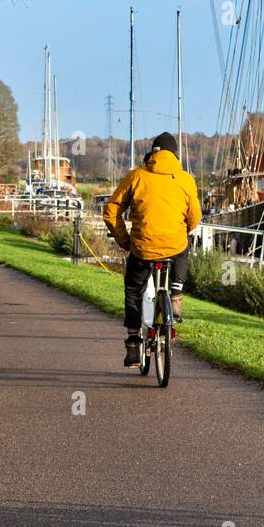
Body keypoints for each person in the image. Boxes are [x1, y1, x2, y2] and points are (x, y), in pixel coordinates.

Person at [103, 132, 202, 367]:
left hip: (142, 247)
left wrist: (124, 240)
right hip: (174, 245)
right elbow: (195, 218)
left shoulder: (136, 176)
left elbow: (111, 211)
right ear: (174, 155)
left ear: (152, 155)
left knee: (133, 290)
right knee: (182, 245)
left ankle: (133, 343)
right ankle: (176, 295)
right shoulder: (186, 179)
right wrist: (181, 229)